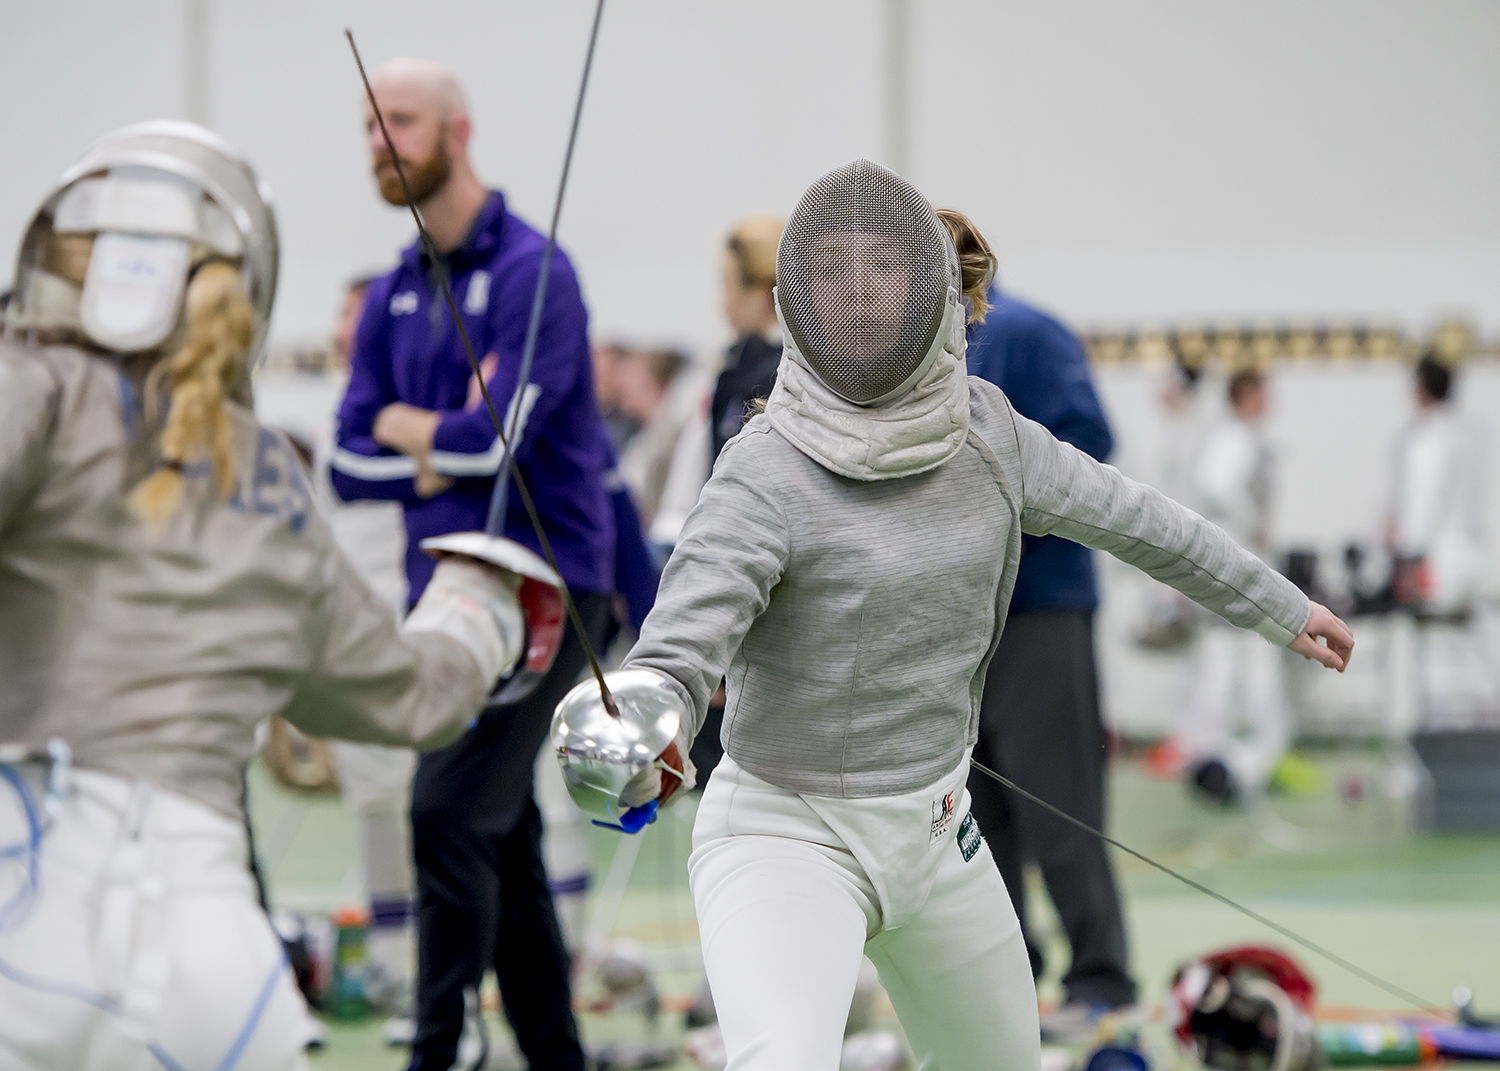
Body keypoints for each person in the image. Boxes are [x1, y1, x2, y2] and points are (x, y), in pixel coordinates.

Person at [556, 159, 1354, 1071]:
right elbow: (686, 630)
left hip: (938, 833)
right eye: (834, 276)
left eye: (882, 270)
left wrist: (1280, 607)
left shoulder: (992, 434)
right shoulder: (765, 465)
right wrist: (650, 712)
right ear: (797, 300)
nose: (857, 295)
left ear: (930, 289)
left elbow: (1137, 518)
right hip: (786, 835)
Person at [0, 122, 540, 1071]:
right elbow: (411, 697)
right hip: (218, 970)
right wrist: (479, 603)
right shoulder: (268, 476)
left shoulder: (31, 386)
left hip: (23, 893)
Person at [329, 59, 612, 1071]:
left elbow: (499, 450)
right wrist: (439, 429)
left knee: (446, 807)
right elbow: (344, 459)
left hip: (550, 589)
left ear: (457, 128)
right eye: (368, 123)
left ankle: (439, 1049)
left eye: (399, 120)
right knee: (501, 833)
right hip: (444, 590)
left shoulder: (538, 272)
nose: (380, 139)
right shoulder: (396, 292)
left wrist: (413, 434)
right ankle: (554, 1054)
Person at [959, 269, 1140, 1032]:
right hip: (964, 616)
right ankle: (1016, 977)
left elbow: (1085, 446)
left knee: (1059, 802)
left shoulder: (1028, 333)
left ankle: (1102, 978)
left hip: (1040, 607)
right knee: (975, 810)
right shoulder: (930, 348)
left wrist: (990, 507)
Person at [1178, 368, 1292, 804]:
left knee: (1236, 666)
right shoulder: (1233, 439)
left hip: (1236, 568)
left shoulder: (1245, 438)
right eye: (1264, 390)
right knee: (1232, 666)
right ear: (1246, 394)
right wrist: (1250, 531)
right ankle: (1222, 764)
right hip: (1235, 570)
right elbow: (1217, 486)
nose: (1269, 399)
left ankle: (1237, 765)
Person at [1385, 352, 1483, 615]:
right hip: (1467, 561)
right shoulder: (1465, 433)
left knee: (1433, 648)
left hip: (1434, 566)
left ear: (1421, 386)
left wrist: (1409, 562)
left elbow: (1424, 498)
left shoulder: (1426, 439)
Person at [711, 215, 785, 460]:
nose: (725, 305)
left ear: (762, 293)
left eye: (728, 286)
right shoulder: (739, 362)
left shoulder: (780, 377)